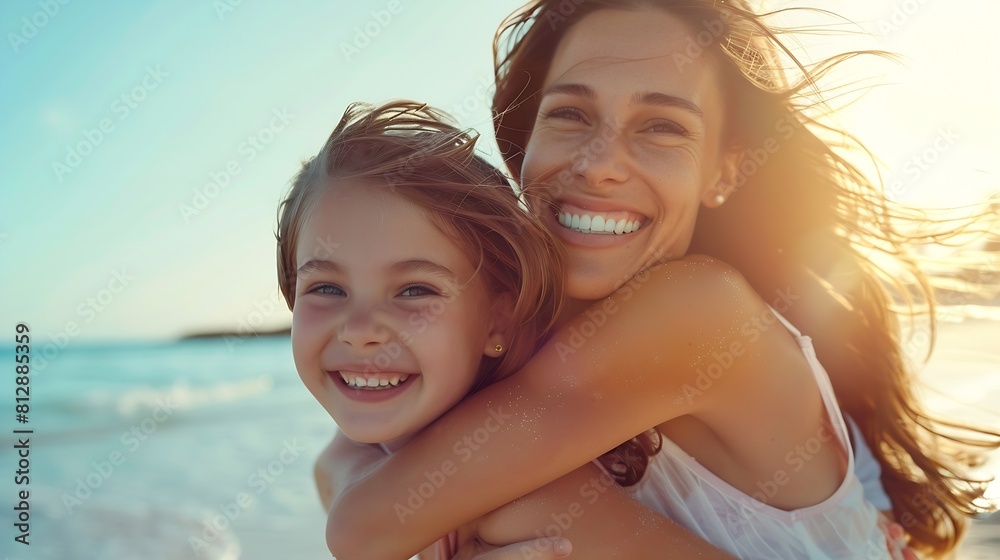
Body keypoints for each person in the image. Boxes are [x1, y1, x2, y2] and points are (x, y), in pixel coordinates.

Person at [323, 2, 999, 558]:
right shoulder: (533, 330)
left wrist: (537, 514)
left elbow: (366, 524)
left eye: (662, 127)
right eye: (571, 114)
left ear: (724, 171)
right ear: (525, 141)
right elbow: (345, 468)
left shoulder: (699, 313)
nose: (599, 164)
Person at [276, 100, 735, 559]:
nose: (360, 332)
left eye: (415, 290)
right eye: (328, 288)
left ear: (500, 318)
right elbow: (334, 462)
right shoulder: (398, 450)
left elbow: (353, 516)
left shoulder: (519, 507)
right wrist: (354, 479)